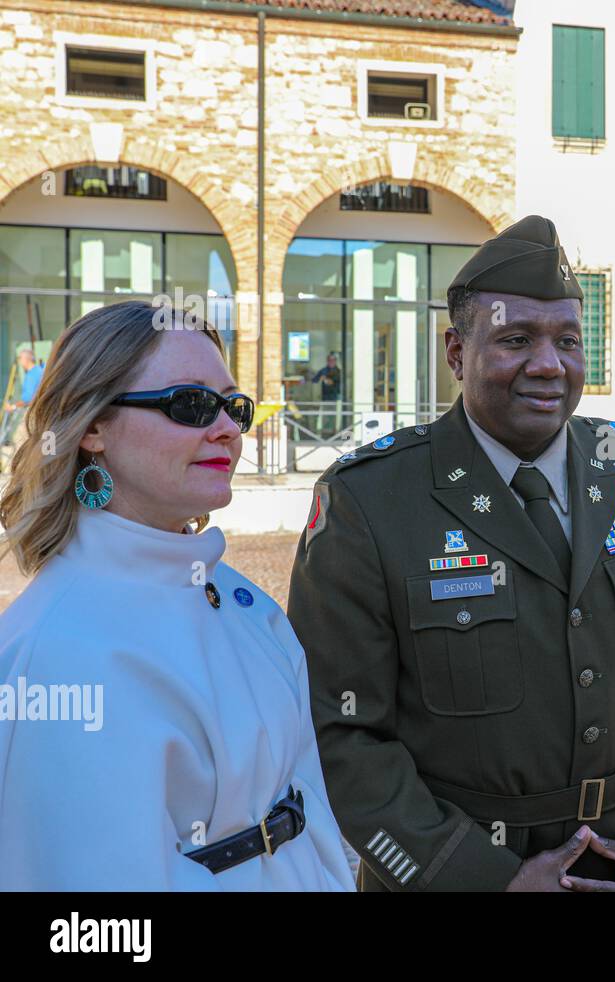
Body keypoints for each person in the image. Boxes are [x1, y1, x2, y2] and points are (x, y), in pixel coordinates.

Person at [288, 216, 615, 892]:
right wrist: (482, 879)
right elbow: (339, 733)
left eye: (568, 340)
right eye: (516, 340)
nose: (549, 364)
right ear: (456, 352)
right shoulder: (374, 502)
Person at [0, 301, 354, 890]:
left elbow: (304, 798)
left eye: (232, 406)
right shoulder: (55, 651)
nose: (228, 430)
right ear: (91, 428)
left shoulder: (241, 601)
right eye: (188, 404)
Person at [1, 345, 44, 453]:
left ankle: (22, 468)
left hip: (32, 412)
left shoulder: (31, 375)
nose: (20, 362)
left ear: (26, 359)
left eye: (20, 358)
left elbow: (28, 399)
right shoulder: (40, 371)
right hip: (41, 412)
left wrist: (13, 406)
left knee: (20, 441)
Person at [312, 352, 343, 437]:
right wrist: (320, 378)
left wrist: (329, 381)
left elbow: (338, 384)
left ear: (335, 361)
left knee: (334, 417)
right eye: (329, 360)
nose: (331, 362)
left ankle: (334, 433)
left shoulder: (338, 371)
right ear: (327, 361)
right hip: (324, 398)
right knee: (324, 417)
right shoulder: (323, 370)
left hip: (335, 398)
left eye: (333, 360)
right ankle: (324, 434)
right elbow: (314, 380)